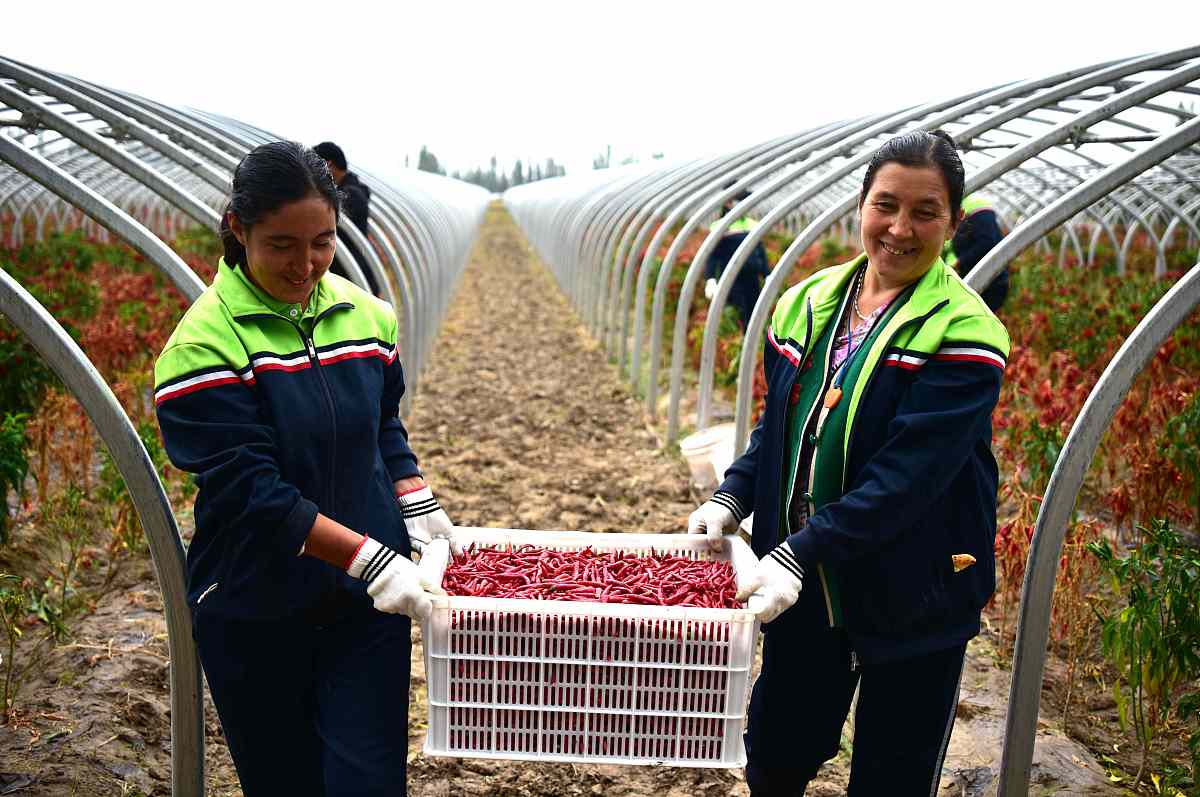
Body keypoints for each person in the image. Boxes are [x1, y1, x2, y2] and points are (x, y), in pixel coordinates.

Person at [688, 131, 1010, 795]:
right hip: (809, 584)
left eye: (926, 212)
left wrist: (798, 549)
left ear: (952, 221)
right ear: (860, 205)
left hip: (919, 584)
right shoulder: (806, 303)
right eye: (885, 204)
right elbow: (781, 429)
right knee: (777, 752)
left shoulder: (966, 331)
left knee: (891, 774)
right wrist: (733, 495)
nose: (900, 228)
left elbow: (908, 479)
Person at [153, 141, 455, 797]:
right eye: (282, 244)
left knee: (368, 783)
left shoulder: (365, 315)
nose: (306, 264)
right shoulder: (203, 345)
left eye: (322, 241)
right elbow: (252, 497)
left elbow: (382, 423)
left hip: (361, 609)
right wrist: (369, 558)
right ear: (239, 227)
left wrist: (415, 499)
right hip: (257, 607)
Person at [313, 140, 381, 296]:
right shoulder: (355, 189)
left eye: (314, 169)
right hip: (353, 275)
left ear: (328, 165)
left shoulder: (351, 195)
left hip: (353, 277)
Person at [704, 189, 771, 328]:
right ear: (728, 203)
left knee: (753, 314)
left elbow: (760, 251)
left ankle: (749, 343)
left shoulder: (752, 224)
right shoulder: (719, 226)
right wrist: (710, 279)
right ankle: (738, 341)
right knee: (735, 314)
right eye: (738, 201)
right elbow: (713, 255)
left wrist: (767, 274)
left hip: (752, 278)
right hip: (730, 280)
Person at [942, 192, 1009, 312]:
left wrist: (959, 262)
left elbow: (987, 242)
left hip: (988, 282)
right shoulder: (949, 213)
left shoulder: (976, 208)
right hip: (964, 279)